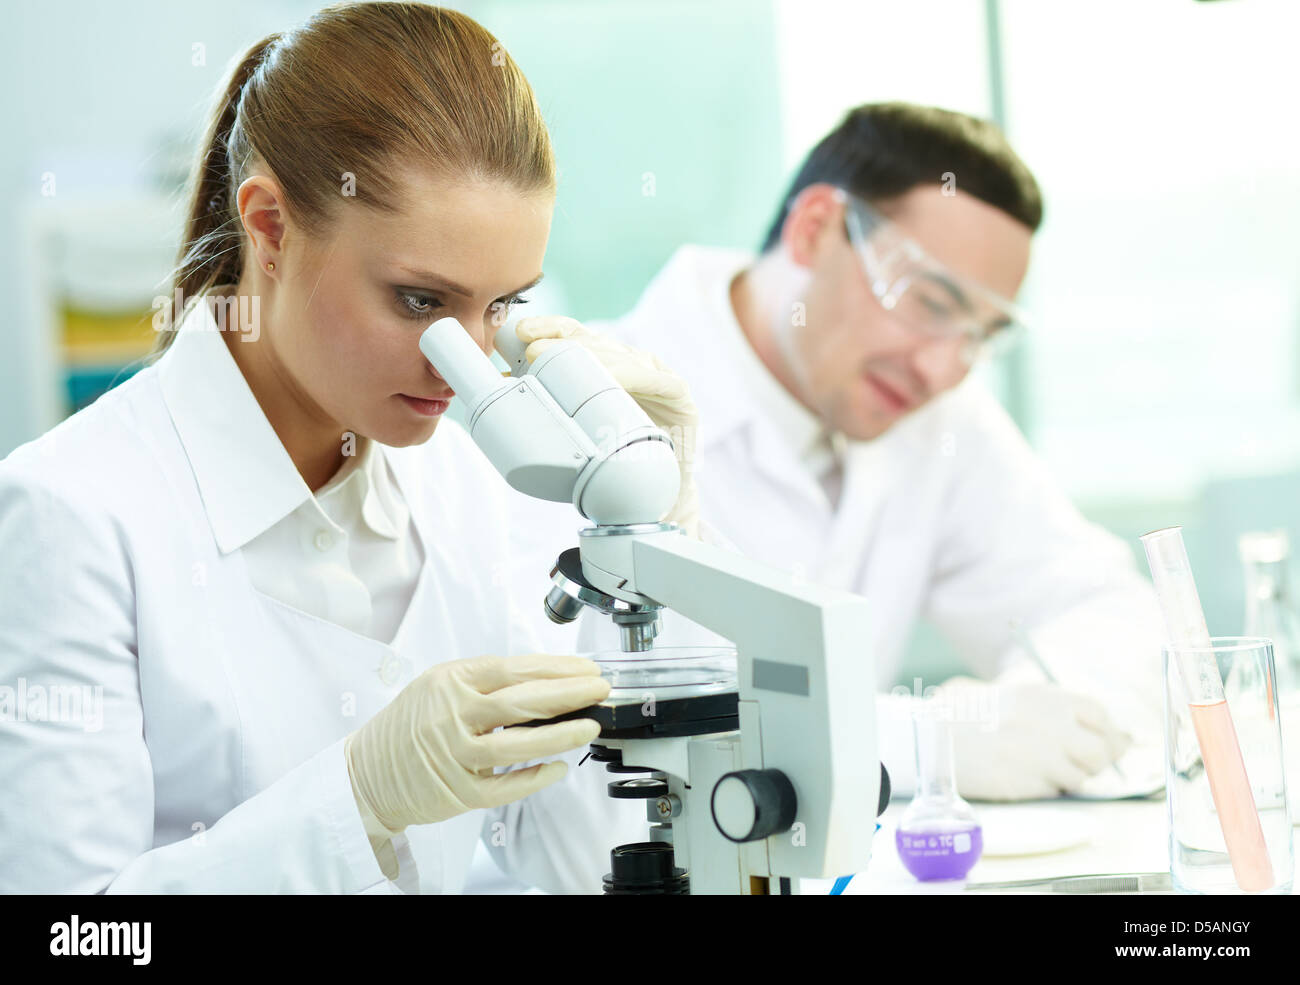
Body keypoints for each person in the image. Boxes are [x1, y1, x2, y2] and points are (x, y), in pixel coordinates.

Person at [0, 2, 690, 894]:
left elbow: (581, 865)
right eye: (418, 301)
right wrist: (357, 799)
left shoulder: (472, 481)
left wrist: (643, 532)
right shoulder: (72, 511)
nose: (467, 361)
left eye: (504, 305)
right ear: (272, 226)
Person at [511, 103, 1167, 802]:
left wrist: (1041, 713)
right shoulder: (596, 409)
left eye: (981, 334)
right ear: (815, 229)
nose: (944, 368)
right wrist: (930, 739)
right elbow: (580, 739)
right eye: (933, 302)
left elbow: (1105, 610)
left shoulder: (935, 414)